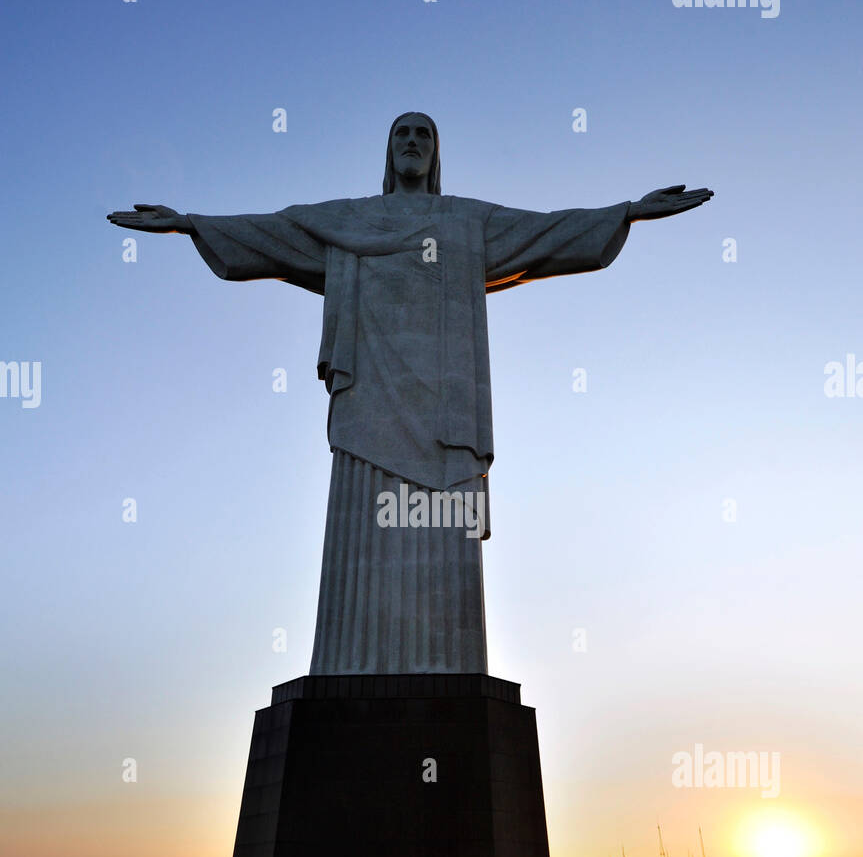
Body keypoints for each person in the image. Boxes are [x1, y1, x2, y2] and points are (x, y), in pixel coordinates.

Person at [109, 120, 711, 678]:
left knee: (447, 571)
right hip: (367, 408)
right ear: (389, 150)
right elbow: (273, 231)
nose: (413, 142)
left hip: (448, 422)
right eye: (403, 134)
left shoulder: (465, 222)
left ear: (436, 153)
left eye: (424, 135)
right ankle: (349, 670)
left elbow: (546, 230)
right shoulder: (348, 219)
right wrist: (190, 223)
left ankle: (446, 675)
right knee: (360, 552)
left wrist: (628, 213)